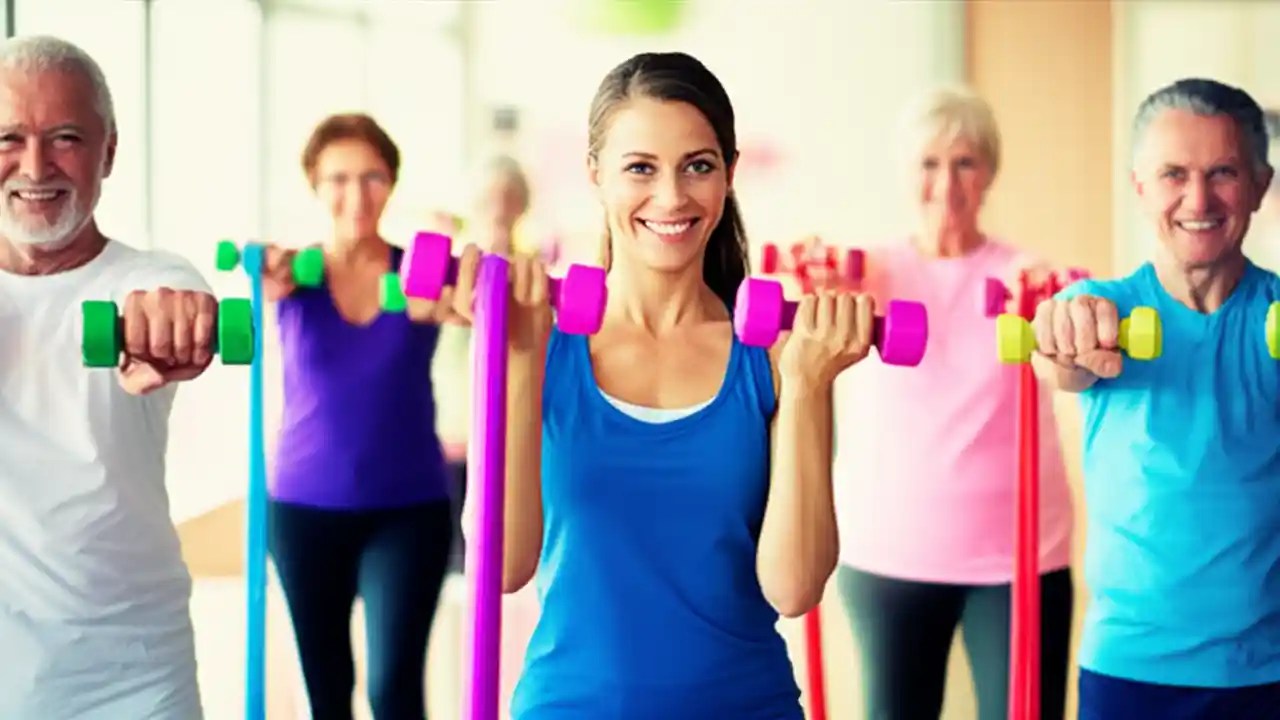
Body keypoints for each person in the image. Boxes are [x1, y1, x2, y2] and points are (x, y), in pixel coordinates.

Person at [440, 51, 873, 719]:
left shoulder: (777, 357)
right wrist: (517, 358)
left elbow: (793, 589)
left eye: (697, 166)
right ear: (596, 174)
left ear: (729, 173)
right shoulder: (536, 341)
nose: (671, 197)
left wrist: (810, 385)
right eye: (641, 167)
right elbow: (501, 566)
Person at [1034, 79, 1280, 719]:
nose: (1198, 199)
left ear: (1260, 185)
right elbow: (1061, 361)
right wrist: (1061, 339)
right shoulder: (1100, 310)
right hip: (1130, 670)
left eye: (1223, 172)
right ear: (1140, 186)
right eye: (1174, 174)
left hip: (1266, 671)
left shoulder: (1274, 317)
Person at [830, 85, 1076, 720]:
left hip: (1019, 558)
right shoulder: (868, 271)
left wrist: (1055, 305)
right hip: (890, 555)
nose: (946, 184)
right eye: (929, 163)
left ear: (989, 171)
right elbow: (818, 300)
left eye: (965, 162)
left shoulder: (1024, 274)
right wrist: (817, 277)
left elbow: (1064, 350)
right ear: (904, 171)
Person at [0, 35, 224, 719]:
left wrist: (174, 325)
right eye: (9, 138)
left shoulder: (150, 278)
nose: (35, 166)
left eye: (65, 138)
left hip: (136, 676)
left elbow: (179, 308)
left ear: (109, 152)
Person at [260, 113, 454, 720]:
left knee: (394, 689)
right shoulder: (290, 276)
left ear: (391, 183)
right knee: (327, 692)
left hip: (408, 509)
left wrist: (460, 296)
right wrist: (258, 272)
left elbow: (483, 308)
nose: (356, 194)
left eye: (371, 177)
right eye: (338, 178)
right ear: (314, 186)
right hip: (303, 509)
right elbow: (250, 280)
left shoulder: (422, 275)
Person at [430, 154, 533, 573]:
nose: (499, 206)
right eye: (491, 197)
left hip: (513, 423)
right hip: (457, 424)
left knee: (502, 546)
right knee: (459, 554)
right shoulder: (455, 266)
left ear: (521, 205)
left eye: (509, 197)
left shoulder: (533, 268)